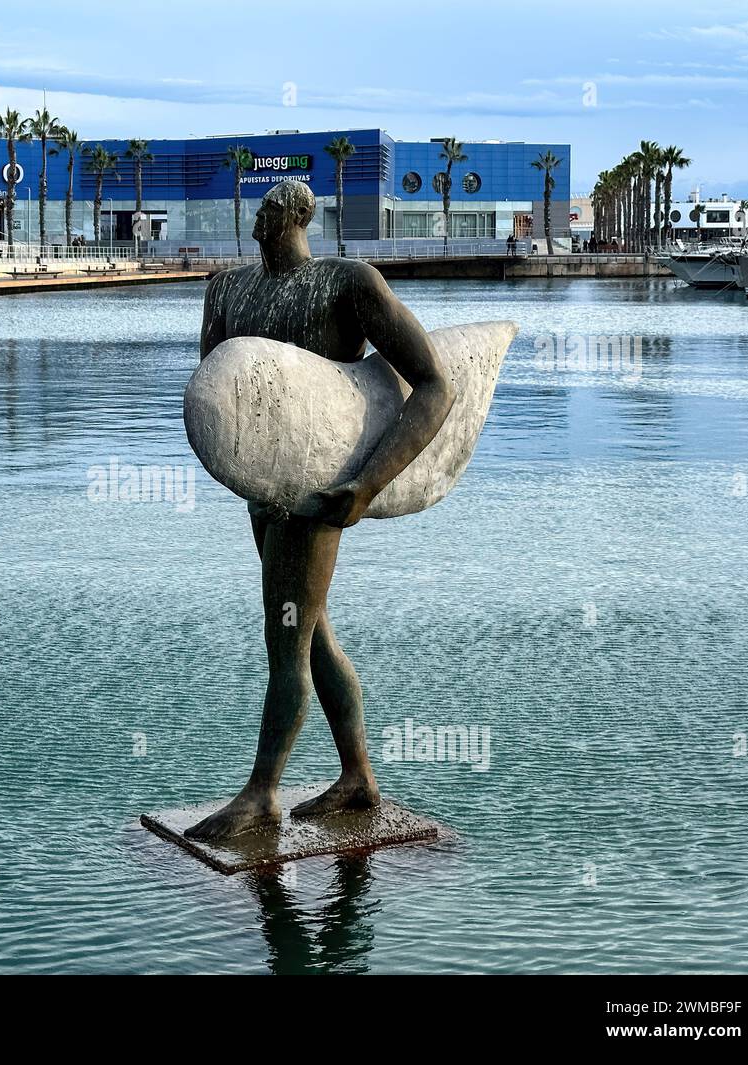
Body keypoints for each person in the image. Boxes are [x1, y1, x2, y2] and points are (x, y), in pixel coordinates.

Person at [186, 179, 455, 842]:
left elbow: (436, 384)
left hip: (318, 493)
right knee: (312, 631)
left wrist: (366, 485)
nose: (258, 215)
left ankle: (261, 794)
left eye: (268, 206)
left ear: (290, 215)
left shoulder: (348, 283)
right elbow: (220, 393)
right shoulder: (225, 289)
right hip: (263, 490)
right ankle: (358, 776)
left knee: (286, 642)